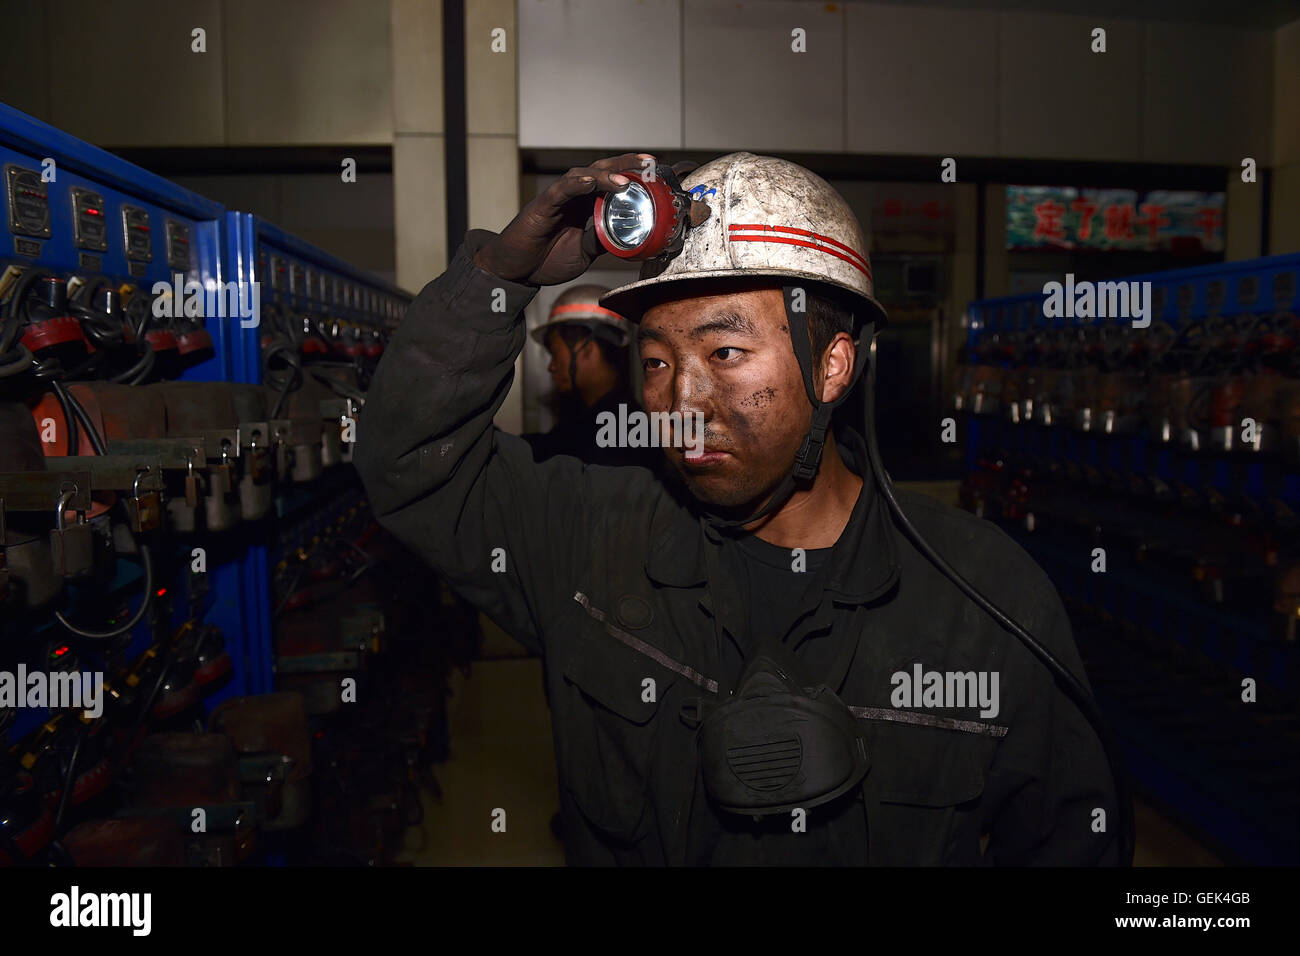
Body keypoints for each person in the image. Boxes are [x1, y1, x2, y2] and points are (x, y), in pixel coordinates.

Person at [354, 151, 1121, 866]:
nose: (681, 401)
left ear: (832, 366)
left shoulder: (982, 601)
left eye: (724, 354)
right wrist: (497, 278)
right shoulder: (590, 536)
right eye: (655, 361)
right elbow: (410, 465)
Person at [520, 286, 657, 471]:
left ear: (587, 350)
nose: (551, 366)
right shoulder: (591, 419)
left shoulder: (619, 433)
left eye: (555, 353)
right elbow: (546, 448)